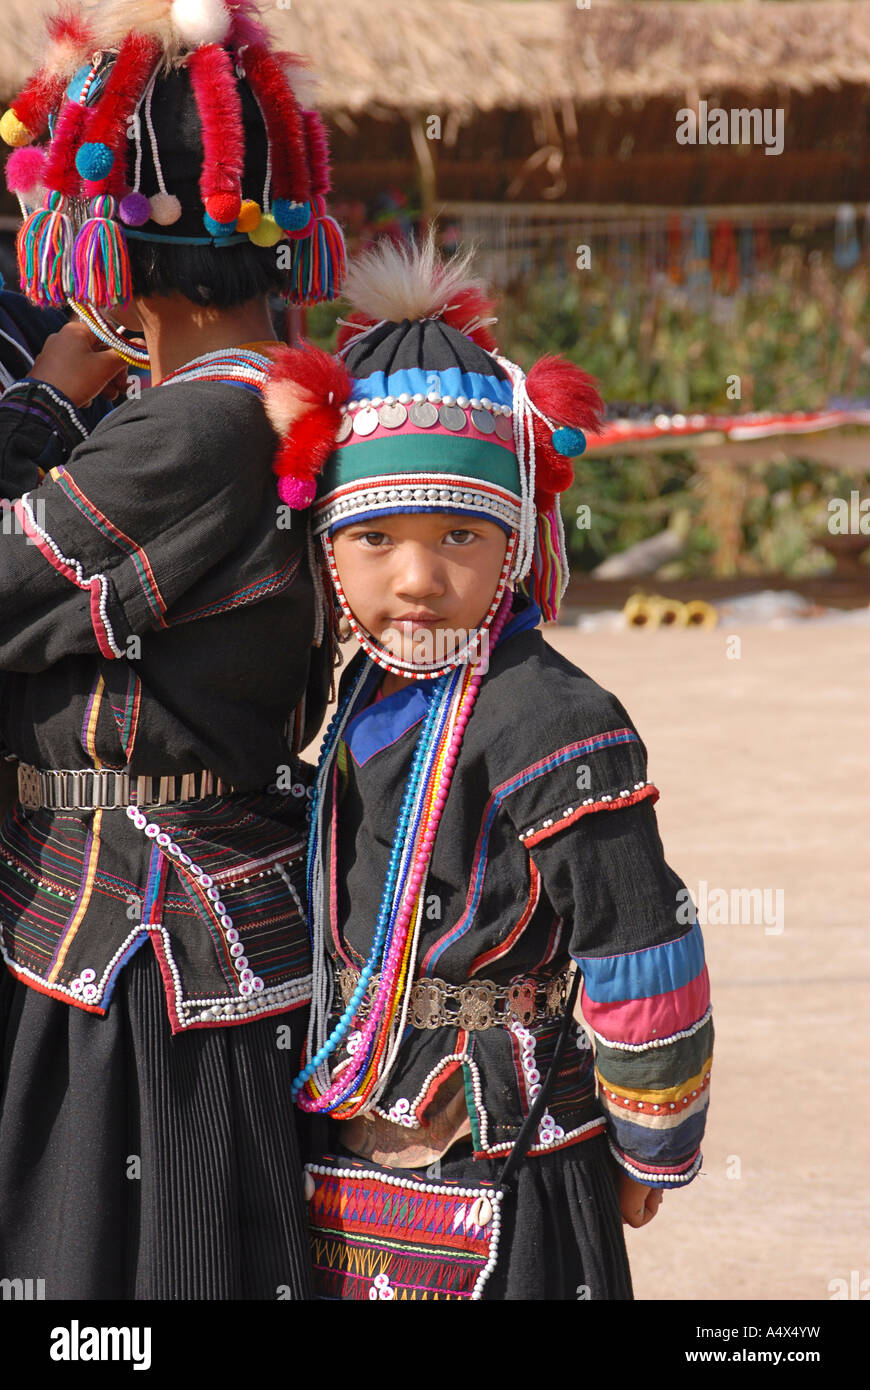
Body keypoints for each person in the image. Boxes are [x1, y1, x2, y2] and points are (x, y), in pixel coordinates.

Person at [260, 236, 713, 1300]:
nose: (415, 580)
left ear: (517, 537)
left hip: (517, 1154)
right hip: (358, 1139)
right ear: (328, 547)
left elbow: (640, 939)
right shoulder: (367, 693)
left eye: (460, 532)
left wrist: (652, 1142)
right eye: (374, 539)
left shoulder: (557, 720)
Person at [0, 0, 344, 1299]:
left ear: (116, 264)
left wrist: (37, 396)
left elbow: (13, 578)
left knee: (132, 1274)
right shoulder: (228, 406)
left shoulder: (207, 429)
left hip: (150, 948)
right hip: (100, 919)